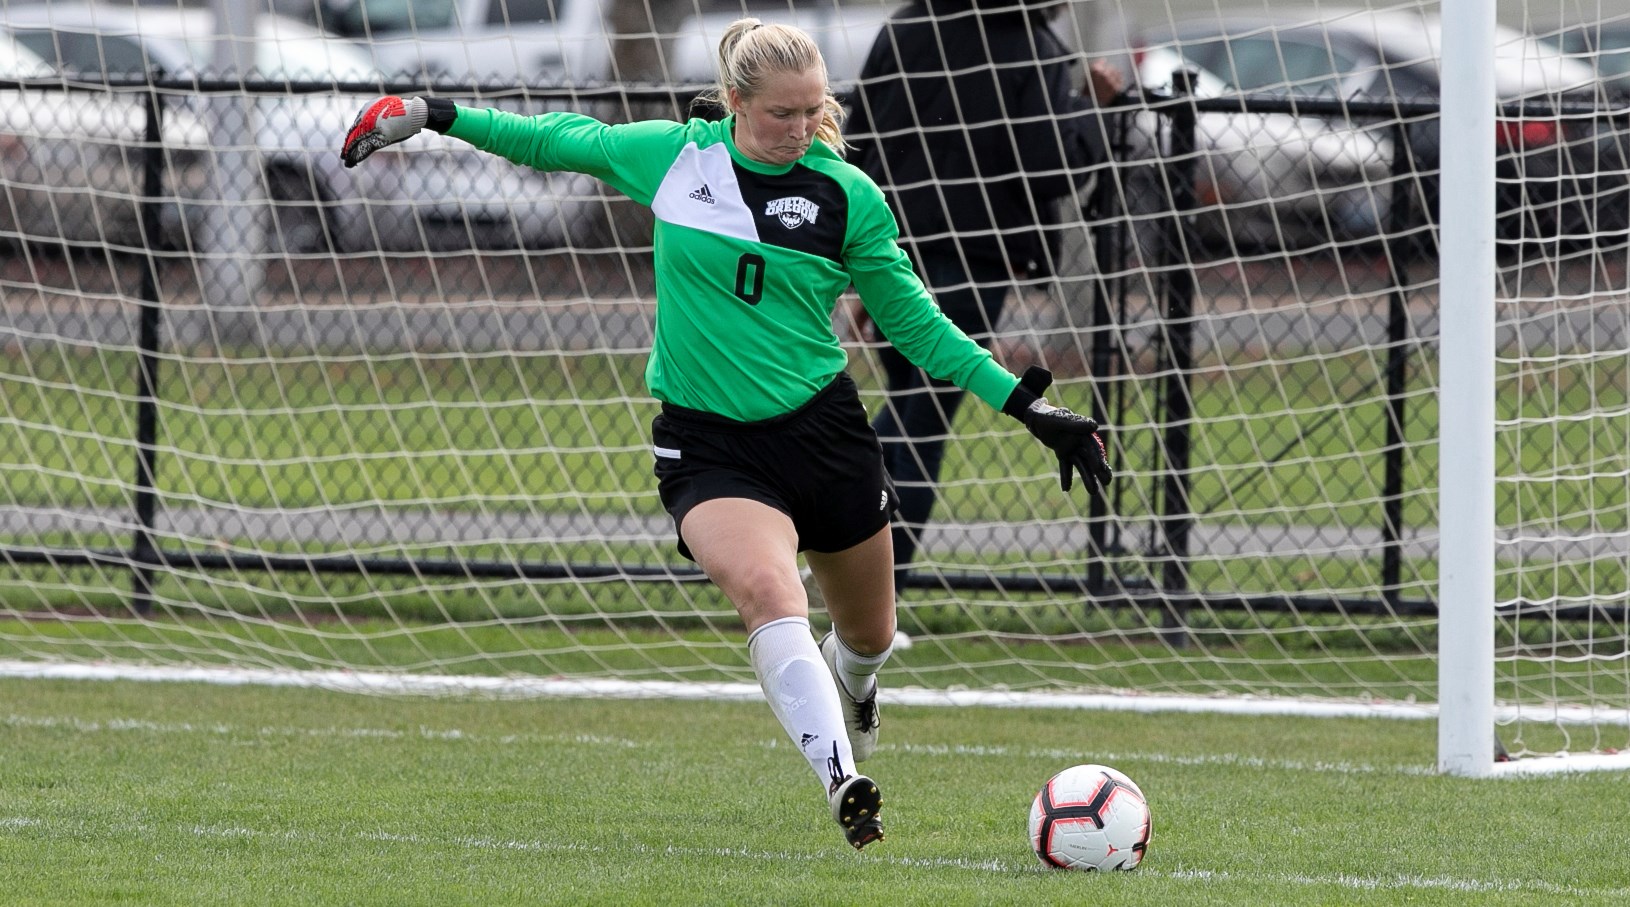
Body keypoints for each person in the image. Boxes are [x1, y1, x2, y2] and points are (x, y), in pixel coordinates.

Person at [339, 18, 1111, 851]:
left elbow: (920, 327)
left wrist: (1028, 405)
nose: (801, 129)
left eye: (814, 112)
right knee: (770, 594)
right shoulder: (675, 158)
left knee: (870, 634)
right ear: (735, 101)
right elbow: (555, 139)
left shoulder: (846, 195)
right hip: (709, 448)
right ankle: (842, 778)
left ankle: (855, 682)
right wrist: (431, 111)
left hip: (823, 435)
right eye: (782, 113)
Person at [847, 0, 1124, 578]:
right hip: (977, 255)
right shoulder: (1034, 45)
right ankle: (874, 588)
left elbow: (858, 143)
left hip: (891, 245)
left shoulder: (906, 26)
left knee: (909, 405)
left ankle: (844, 556)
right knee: (921, 418)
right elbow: (1050, 164)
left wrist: (852, 262)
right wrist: (1092, 110)